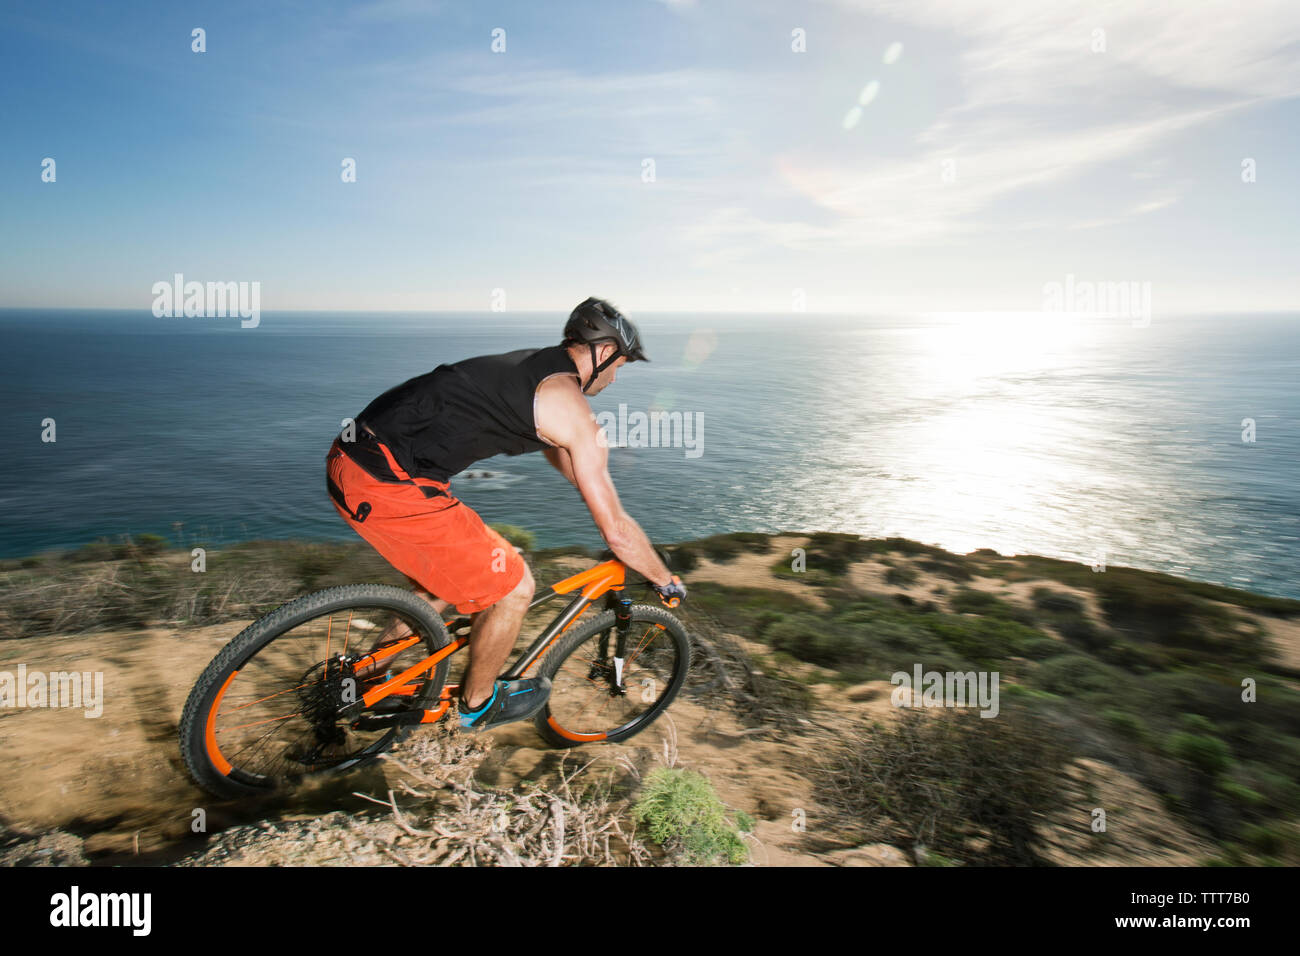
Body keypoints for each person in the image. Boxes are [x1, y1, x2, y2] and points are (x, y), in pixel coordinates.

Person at [324, 297, 686, 732]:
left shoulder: (533, 369)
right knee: (513, 587)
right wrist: (664, 578)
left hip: (350, 462)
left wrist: (592, 470)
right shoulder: (569, 406)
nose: (613, 379)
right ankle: (478, 705)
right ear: (605, 352)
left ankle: (362, 678)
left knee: (451, 578)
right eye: (619, 367)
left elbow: (566, 460)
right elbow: (617, 533)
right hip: (390, 486)